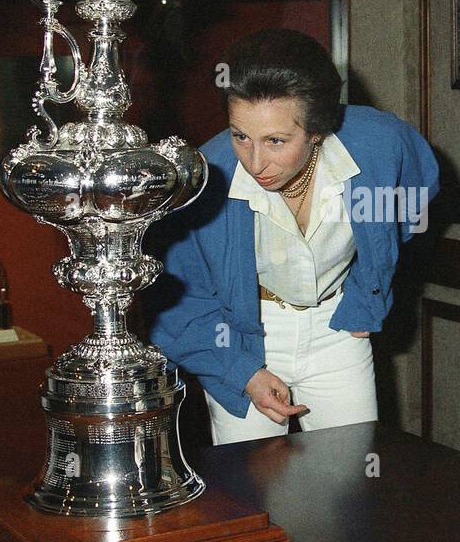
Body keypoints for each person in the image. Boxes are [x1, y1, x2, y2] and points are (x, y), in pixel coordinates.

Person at [151, 28, 439, 444]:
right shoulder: (202, 180)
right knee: (255, 488)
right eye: (240, 136)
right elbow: (178, 298)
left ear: (317, 129)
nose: (255, 161)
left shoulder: (380, 142)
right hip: (241, 332)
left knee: (353, 480)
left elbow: (413, 198)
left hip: (337, 329)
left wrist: (368, 290)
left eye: (276, 141)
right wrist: (239, 371)